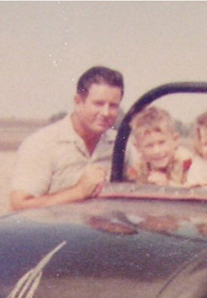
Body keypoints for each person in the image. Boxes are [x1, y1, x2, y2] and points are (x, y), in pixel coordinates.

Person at [8, 66, 124, 211]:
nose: (106, 113)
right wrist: (79, 192)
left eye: (113, 106)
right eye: (98, 104)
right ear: (78, 102)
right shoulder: (42, 144)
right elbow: (19, 206)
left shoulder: (121, 144)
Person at [127, 106, 192, 186]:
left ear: (175, 140)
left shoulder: (187, 163)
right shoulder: (139, 167)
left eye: (162, 143)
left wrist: (167, 185)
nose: (157, 151)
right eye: (149, 146)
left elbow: (194, 190)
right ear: (138, 148)